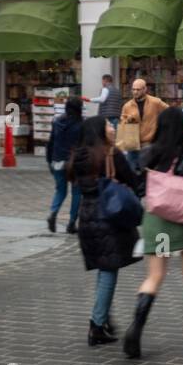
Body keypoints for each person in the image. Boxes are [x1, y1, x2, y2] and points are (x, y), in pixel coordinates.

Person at [122, 106, 183, 359]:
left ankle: (136, 328)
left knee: (155, 276)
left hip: (159, 224)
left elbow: (139, 188)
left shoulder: (148, 153)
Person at [68, 116, 143, 346]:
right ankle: (97, 325)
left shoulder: (79, 156)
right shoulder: (110, 154)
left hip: (88, 217)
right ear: (99, 132)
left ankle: (103, 318)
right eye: (109, 126)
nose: (113, 128)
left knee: (104, 268)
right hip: (109, 217)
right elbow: (133, 181)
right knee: (109, 271)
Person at [45, 96, 84, 234]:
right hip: (74, 164)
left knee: (60, 191)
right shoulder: (81, 124)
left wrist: (49, 161)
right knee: (77, 192)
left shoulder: (57, 122)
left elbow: (50, 143)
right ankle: (72, 223)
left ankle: (53, 213)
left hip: (57, 160)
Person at [119, 77, 168, 172]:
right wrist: (127, 121)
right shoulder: (127, 106)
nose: (135, 92)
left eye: (138, 89)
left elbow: (169, 112)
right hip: (132, 144)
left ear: (145, 89)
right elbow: (122, 123)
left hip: (149, 143)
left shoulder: (155, 102)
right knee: (132, 173)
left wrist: (162, 129)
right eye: (133, 89)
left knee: (148, 173)